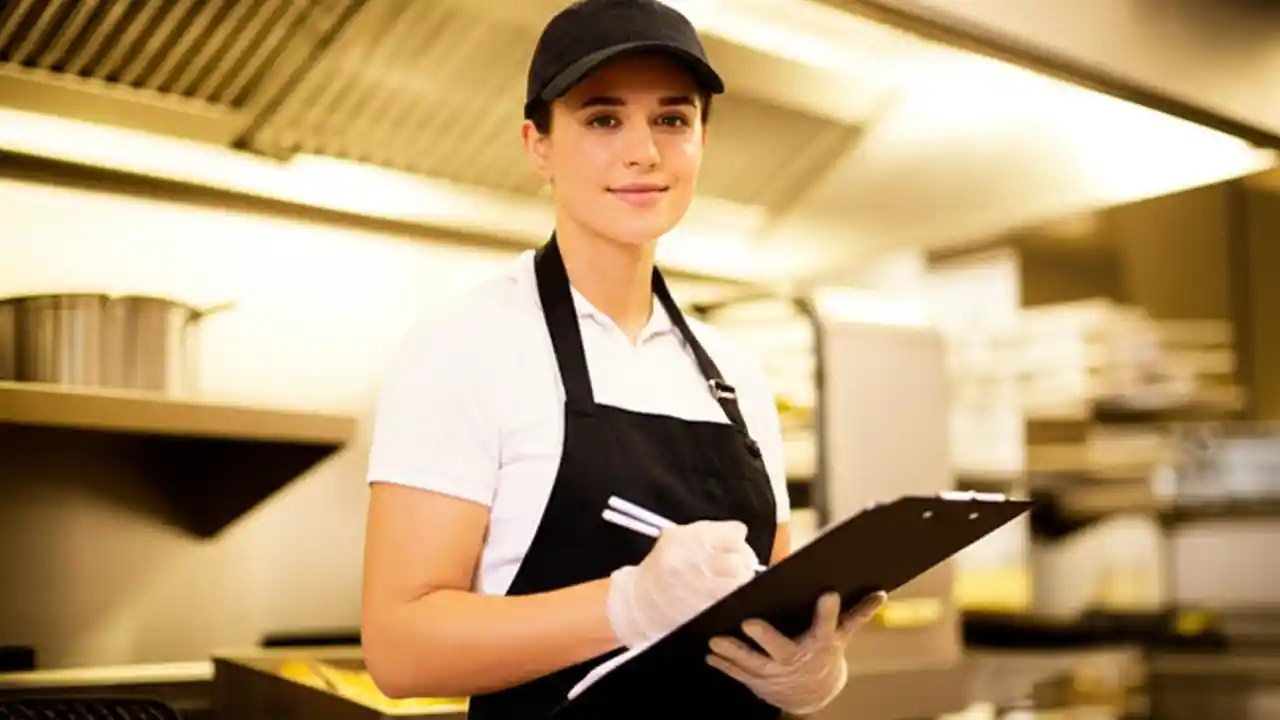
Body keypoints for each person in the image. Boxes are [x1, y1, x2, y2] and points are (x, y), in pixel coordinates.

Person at [360, 1, 886, 718]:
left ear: (702, 139)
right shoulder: (466, 345)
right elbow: (399, 649)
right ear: (537, 143)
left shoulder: (737, 373)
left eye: (673, 119)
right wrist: (627, 604)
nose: (644, 151)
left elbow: (775, 603)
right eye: (602, 118)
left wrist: (810, 668)